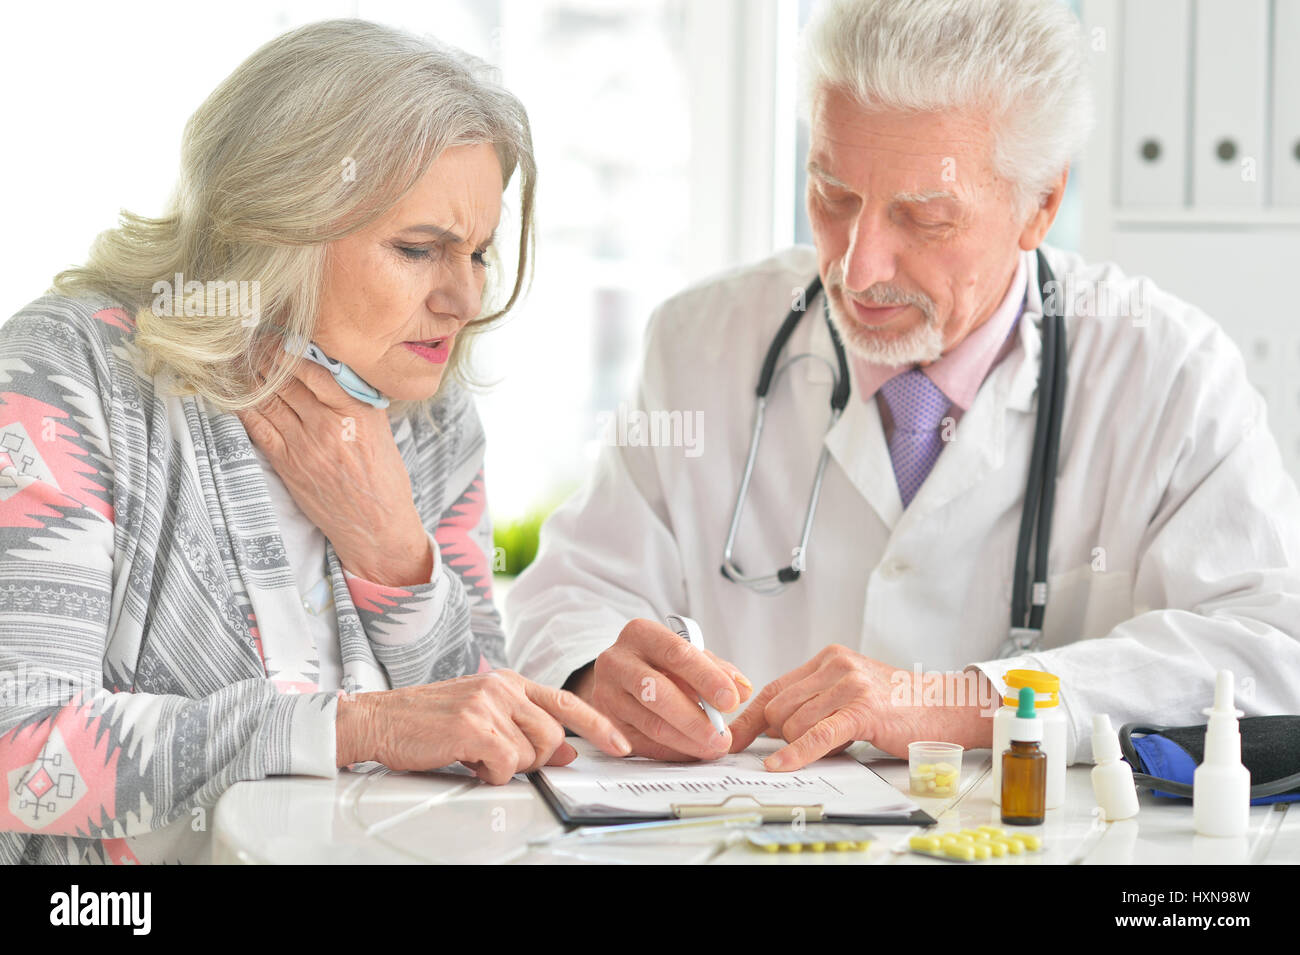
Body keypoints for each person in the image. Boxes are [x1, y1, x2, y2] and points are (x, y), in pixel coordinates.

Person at [507, 0, 1300, 771]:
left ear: (1042, 202)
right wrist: (595, 669)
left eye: (924, 216)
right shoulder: (699, 342)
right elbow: (568, 594)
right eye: (833, 195)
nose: (858, 267)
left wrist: (969, 702)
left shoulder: (1167, 373)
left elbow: (1271, 649)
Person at [0, 19, 628, 866]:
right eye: (418, 249)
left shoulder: (435, 419)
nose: (464, 298)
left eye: (477, 253)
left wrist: (395, 554)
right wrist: (348, 726)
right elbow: (20, 744)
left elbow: (481, 730)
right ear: (284, 223)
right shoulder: (68, 374)